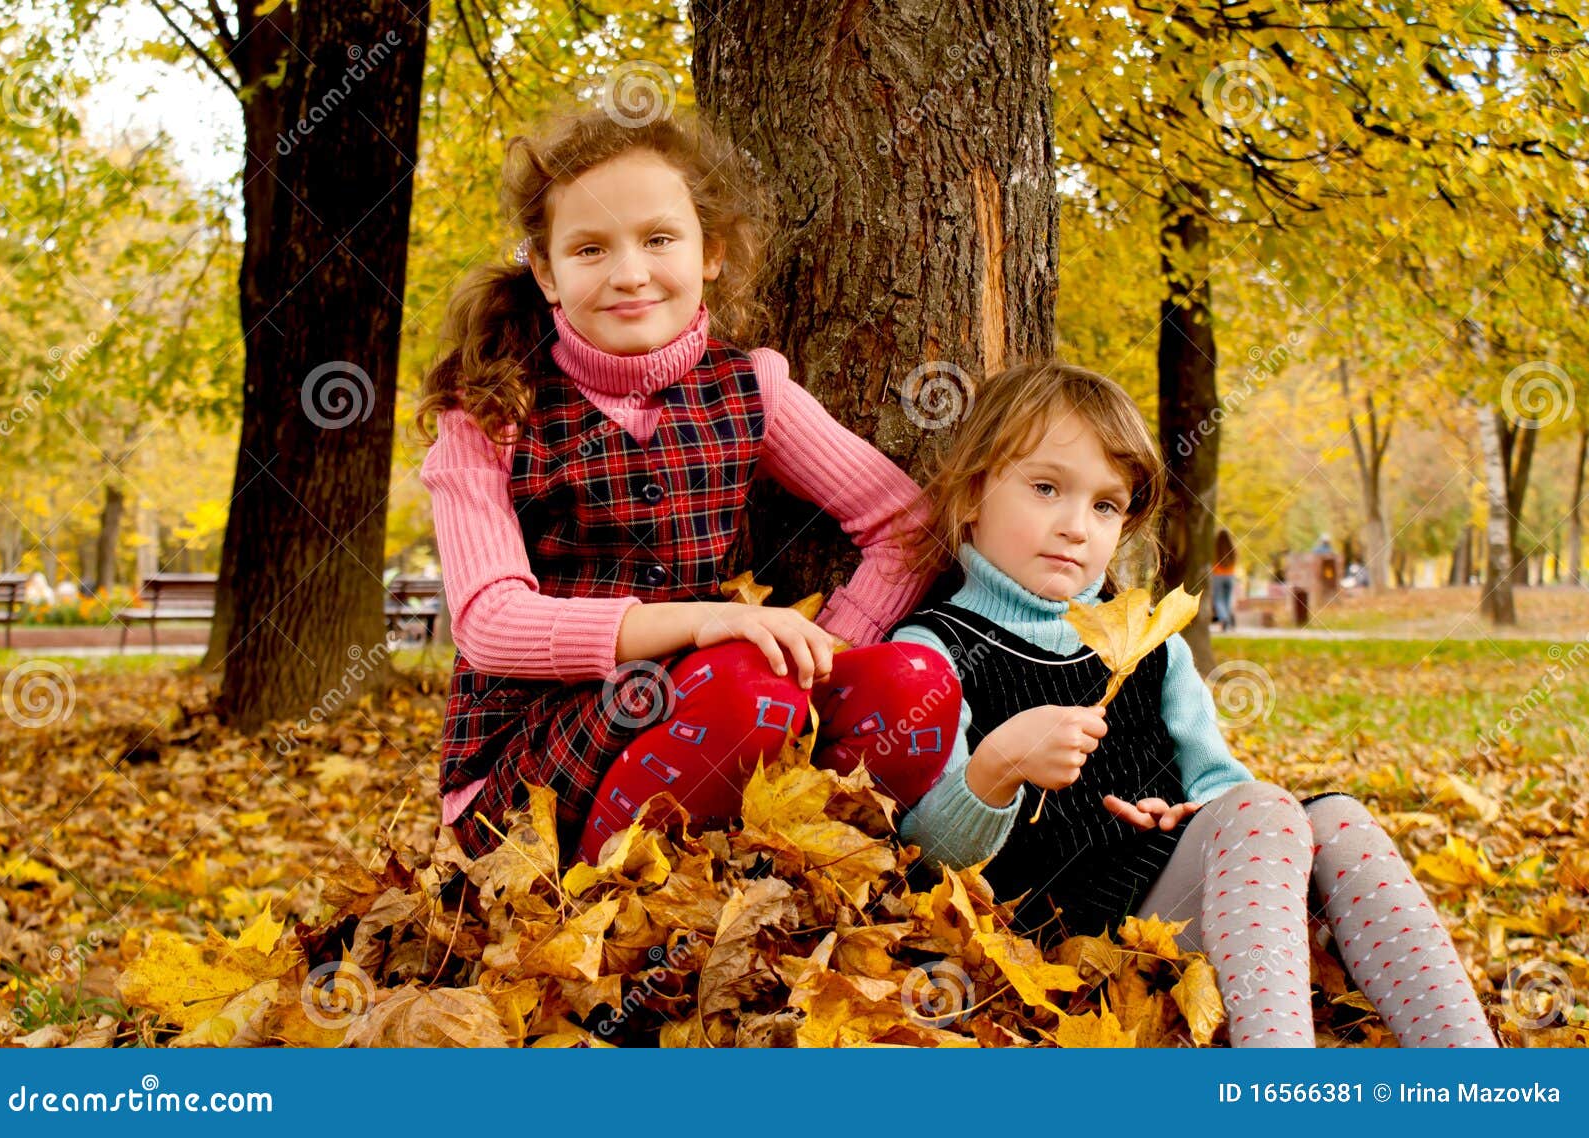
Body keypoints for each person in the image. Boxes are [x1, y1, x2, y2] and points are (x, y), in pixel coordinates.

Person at [888, 359, 1496, 1048]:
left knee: (1340, 819)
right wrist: (998, 764)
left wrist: (1190, 812)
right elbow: (925, 856)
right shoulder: (934, 647)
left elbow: (1224, 787)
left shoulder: (1152, 645)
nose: (1075, 526)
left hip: (1185, 910)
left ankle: (1468, 1068)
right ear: (971, 494)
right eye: (1046, 487)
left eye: (1105, 505)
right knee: (1267, 808)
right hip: (1061, 946)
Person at [414, 107, 957, 867]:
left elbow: (910, 523)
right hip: (537, 759)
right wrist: (698, 624)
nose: (630, 273)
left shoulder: (749, 388)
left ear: (712, 252)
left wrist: (827, 647)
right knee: (744, 684)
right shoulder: (490, 411)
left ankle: (779, 880)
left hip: (726, 709)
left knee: (913, 681)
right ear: (546, 272)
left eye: (659, 239)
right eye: (590, 248)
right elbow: (490, 622)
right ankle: (610, 909)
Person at [1211, 528, 1237, 630]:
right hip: (1230, 576)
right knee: (1227, 599)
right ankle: (1229, 616)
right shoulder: (1232, 549)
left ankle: (1224, 619)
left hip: (1218, 575)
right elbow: (1235, 561)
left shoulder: (1215, 548)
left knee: (1218, 599)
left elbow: (1211, 562)